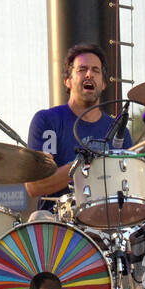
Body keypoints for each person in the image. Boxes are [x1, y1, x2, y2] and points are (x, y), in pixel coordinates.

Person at [24, 43, 133, 213]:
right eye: (82, 69)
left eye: (95, 70)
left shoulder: (120, 132)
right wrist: (83, 164)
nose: (89, 74)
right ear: (67, 81)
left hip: (108, 227)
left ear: (103, 83)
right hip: (59, 228)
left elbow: (131, 187)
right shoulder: (47, 120)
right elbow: (35, 186)